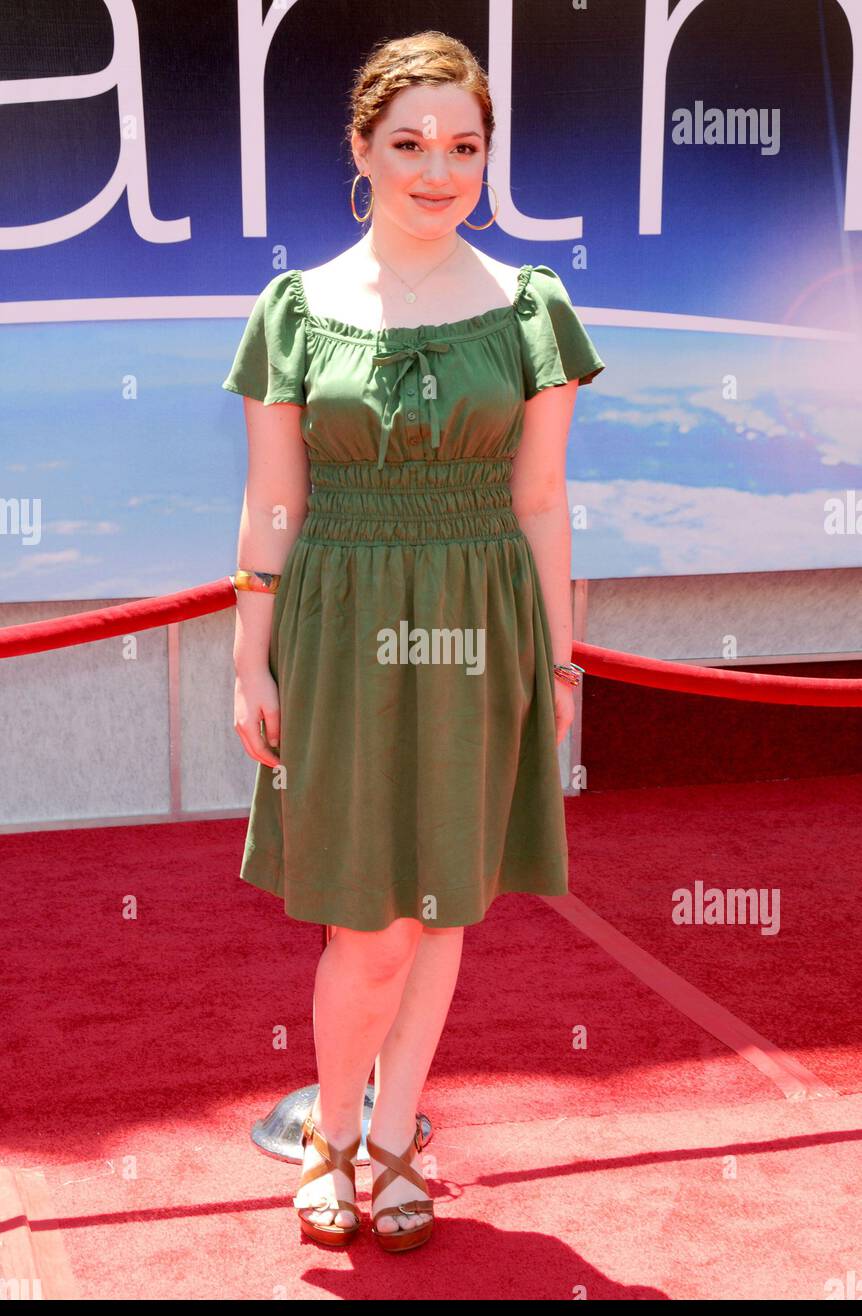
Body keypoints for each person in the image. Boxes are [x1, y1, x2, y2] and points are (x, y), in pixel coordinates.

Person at [222, 30, 605, 1254]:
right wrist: (248, 652)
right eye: (410, 145)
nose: (437, 170)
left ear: (486, 159)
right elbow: (273, 498)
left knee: (440, 906)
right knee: (365, 919)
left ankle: (393, 1147)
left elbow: (542, 500)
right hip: (338, 620)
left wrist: (558, 659)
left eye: (463, 147)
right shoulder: (294, 310)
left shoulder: (532, 308)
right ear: (360, 151)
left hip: (481, 614)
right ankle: (333, 1136)